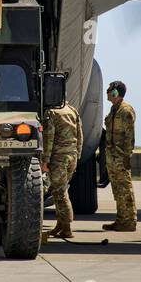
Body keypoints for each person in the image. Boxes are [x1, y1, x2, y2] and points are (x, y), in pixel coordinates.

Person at [42, 92, 83, 240]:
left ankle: (67, 228)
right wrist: (77, 154)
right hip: (71, 156)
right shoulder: (72, 110)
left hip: (59, 158)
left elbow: (49, 138)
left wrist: (45, 160)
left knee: (60, 192)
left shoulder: (52, 113)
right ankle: (60, 225)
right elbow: (80, 135)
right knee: (62, 190)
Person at [102, 80, 136, 232]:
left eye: (110, 90)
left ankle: (129, 220)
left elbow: (130, 136)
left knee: (125, 189)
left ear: (116, 92)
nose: (107, 92)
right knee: (117, 189)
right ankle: (121, 219)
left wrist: (127, 156)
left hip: (121, 156)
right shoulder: (114, 110)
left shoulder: (126, 111)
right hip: (112, 155)